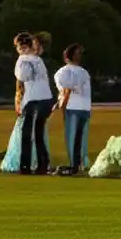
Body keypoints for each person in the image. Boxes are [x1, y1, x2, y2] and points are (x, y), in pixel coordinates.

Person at [13, 31, 55, 175]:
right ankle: (43, 164)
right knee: (37, 133)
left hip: (34, 100)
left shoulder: (24, 60)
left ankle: (25, 165)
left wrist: (22, 60)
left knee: (27, 133)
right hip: (45, 98)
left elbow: (23, 76)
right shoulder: (37, 59)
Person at [53, 43, 92, 175]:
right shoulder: (83, 72)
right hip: (83, 108)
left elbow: (65, 91)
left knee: (72, 137)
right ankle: (79, 163)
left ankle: (73, 164)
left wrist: (61, 105)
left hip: (73, 107)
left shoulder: (61, 73)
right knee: (81, 137)